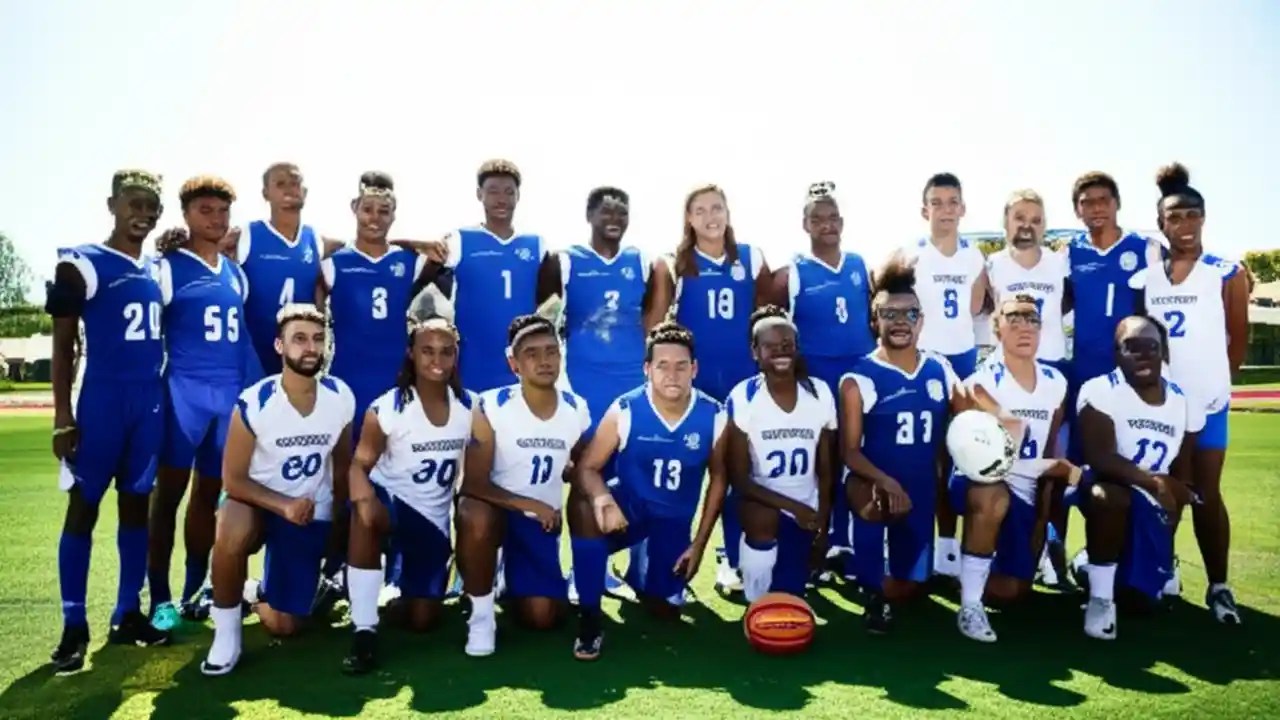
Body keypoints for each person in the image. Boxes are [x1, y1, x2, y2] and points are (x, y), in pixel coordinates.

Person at [45, 169, 171, 673]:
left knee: (137, 506)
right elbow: (64, 346)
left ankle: (127, 613)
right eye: (133, 203)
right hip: (102, 403)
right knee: (83, 507)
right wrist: (62, 414)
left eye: (151, 206)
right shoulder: (81, 263)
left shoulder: (158, 268)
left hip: (149, 403)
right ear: (112, 205)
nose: (142, 214)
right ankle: (74, 624)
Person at [200, 304, 355, 675]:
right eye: (299, 339)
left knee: (285, 625)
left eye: (318, 339)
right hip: (260, 505)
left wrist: (336, 530)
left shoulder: (340, 397)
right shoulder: (256, 403)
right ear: (279, 346)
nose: (310, 348)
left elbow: (341, 470)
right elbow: (233, 480)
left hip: (306, 516)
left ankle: (257, 593)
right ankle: (226, 635)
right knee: (232, 519)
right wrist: (283, 504)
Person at [567, 322, 729, 660]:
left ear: (694, 369)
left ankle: (641, 568)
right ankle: (590, 617)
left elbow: (719, 480)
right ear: (647, 369)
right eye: (662, 365)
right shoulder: (625, 409)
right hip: (630, 510)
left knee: (664, 610)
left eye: (681, 366)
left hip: (672, 521)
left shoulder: (714, 415)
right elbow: (587, 468)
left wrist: (699, 546)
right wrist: (603, 499)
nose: (672, 375)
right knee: (583, 505)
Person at [1132, 163, 1249, 623]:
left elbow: (1237, 342)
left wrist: (1215, 387)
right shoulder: (1148, 277)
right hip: (1163, 406)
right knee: (1167, 489)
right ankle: (1163, 571)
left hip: (1209, 403)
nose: (1184, 224)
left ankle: (1219, 585)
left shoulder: (1226, 272)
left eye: (1192, 215)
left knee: (1206, 492)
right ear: (1160, 223)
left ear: (1204, 218)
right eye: (1174, 217)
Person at [538, 186, 667, 596]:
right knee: (585, 477)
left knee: (636, 478)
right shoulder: (565, 260)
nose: (614, 219)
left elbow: (654, 324)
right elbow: (545, 321)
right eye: (606, 211)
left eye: (621, 212)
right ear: (589, 215)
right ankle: (584, 570)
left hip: (632, 385)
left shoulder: (642, 262)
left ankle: (638, 569)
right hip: (584, 384)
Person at [650, 184, 773, 592]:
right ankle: (667, 562)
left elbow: (768, 318)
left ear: (728, 212)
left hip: (741, 386)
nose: (710, 217)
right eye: (700, 210)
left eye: (717, 208)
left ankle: (731, 558)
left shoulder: (751, 258)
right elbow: (657, 328)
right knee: (686, 476)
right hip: (695, 388)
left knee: (739, 474)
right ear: (688, 218)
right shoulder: (676, 264)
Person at [146, 176, 250, 631]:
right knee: (167, 496)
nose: (216, 219)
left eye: (222, 211)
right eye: (205, 210)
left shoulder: (235, 274)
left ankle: (194, 588)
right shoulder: (166, 268)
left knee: (209, 496)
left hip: (226, 399)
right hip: (183, 394)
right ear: (186, 214)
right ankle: (159, 596)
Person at [342, 316, 473, 674]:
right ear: (411, 353)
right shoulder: (387, 408)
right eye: (427, 350)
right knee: (364, 513)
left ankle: (393, 589)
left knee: (422, 619)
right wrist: (365, 502)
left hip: (431, 521)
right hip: (391, 504)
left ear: (456, 355)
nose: (437, 360)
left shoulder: (470, 408)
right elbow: (358, 467)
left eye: (446, 351)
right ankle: (364, 629)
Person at [455, 315, 592, 657]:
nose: (544, 361)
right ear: (513, 363)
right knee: (474, 513)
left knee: (542, 617)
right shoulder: (491, 405)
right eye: (532, 353)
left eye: (551, 351)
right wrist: (529, 505)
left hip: (538, 524)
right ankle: (481, 619)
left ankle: (507, 578)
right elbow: (472, 484)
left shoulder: (576, 409)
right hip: (497, 514)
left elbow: (578, 468)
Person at [841, 256, 961, 634]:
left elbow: (969, 414)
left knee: (910, 588)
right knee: (873, 503)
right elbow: (849, 451)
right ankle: (870, 589)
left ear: (921, 320)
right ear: (873, 321)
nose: (899, 322)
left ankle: (886, 571)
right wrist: (885, 481)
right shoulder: (859, 377)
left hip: (921, 489)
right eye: (888, 314)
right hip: (873, 482)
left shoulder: (939, 368)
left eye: (909, 314)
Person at [948, 295, 1077, 642]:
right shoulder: (980, 382)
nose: (1024, 327)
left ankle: (975, 568)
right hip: (986, 480)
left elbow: (1049, 446)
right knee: (992, 498)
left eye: (1032, 319)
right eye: (1014, 319)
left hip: (1027, 487)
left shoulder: (1056, 382)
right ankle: (970, 605)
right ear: (997, 330)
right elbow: (983, 452)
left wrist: (1043, 507)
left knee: (1010, 594)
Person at [1072, 315, 1201, 640]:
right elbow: (1101, 457)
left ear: (1164, 353)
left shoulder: (1183, 399)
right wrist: (1154, 483)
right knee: (1107, 497)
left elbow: (1182, 475)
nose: (1143, 355)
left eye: (1151, 346)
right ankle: (1100, 598)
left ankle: (1145, 563)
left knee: (1141, 603)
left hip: (1154, 504)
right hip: (1112, 488)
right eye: (1131, 347)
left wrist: (1173, 496)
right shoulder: (1100, 390)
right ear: (1116, 353)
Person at [771, 181, 875, 577]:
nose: (827, 224)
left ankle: (849, 543)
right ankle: (818, 541)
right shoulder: (793, 272)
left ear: (842, 222)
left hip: (859, 376)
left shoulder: (859, 265)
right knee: (822, 463)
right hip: (817, 378)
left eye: (833, 218)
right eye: (818, 219)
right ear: (806, 225)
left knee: (857, 458)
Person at [899, 173, 990, 579]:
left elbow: (975, 307)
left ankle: (957, 547)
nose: (946, 210)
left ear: (963, 208)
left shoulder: (974, 258)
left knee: (963, 454)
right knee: (927, 456)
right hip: (924, 363)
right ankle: (925, 545)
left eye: (953, 202)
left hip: (963, 360)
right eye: (937, 202)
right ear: (925, 210)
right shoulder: (910, 255)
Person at [983, 189, 1073, 585]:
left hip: (1051, 369)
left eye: (1036, 220)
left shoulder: (1059, 263)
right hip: (1008, 373)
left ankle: (1050, 550)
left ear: (1045, 226)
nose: (1027, 226)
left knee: (1052, 462)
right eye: (1019, 218)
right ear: (1005, 223)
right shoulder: (993, 265)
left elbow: (1065, 305)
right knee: (1004, 463)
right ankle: (994, 549)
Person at [723, 306, 837, 602]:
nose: (780, 351)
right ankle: (753, 595)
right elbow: (739, 478)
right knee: (760, 517)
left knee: (789, 595)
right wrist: (792, 508)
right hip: (763, 504)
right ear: (755, 352)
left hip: (807, 509)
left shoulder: (820, 393)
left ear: (797, 348)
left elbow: (826, 470)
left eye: (787, 344)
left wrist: (822, 523)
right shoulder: (744, 397)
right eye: (770, 346)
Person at [445, 159, 548, 392]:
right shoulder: (459, 240)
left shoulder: (536, 245)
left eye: (509, 192)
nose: (501, 199)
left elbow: (551, 302)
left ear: (518, 196)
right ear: (479, 194)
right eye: (493, 192)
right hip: (472, 365)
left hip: (522, 366)